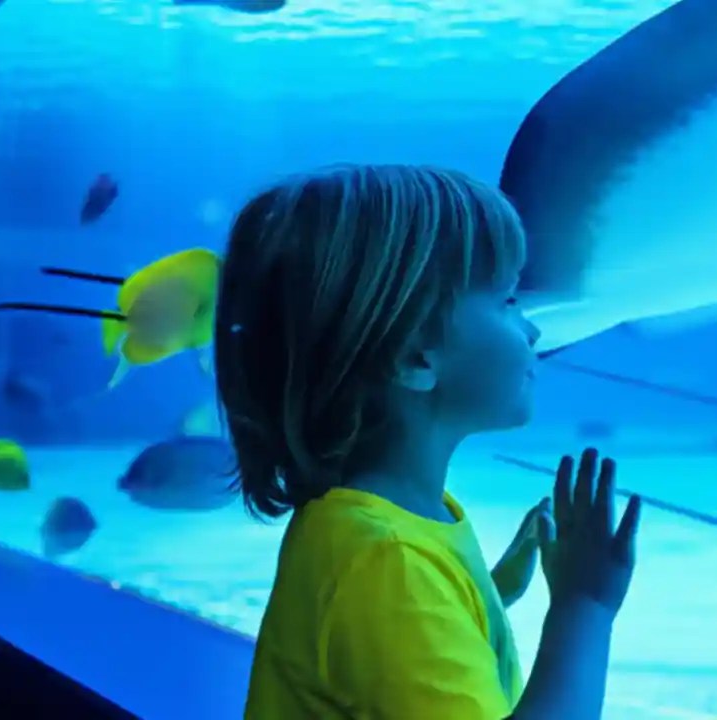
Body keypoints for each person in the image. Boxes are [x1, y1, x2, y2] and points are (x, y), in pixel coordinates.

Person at [214, 163, 642, 720]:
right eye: (507, 301)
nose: (533, 329)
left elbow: (401, 655)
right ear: (414, 355)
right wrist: (584, 608)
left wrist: (485, 594)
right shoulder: (385, 565)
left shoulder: (379, 526)